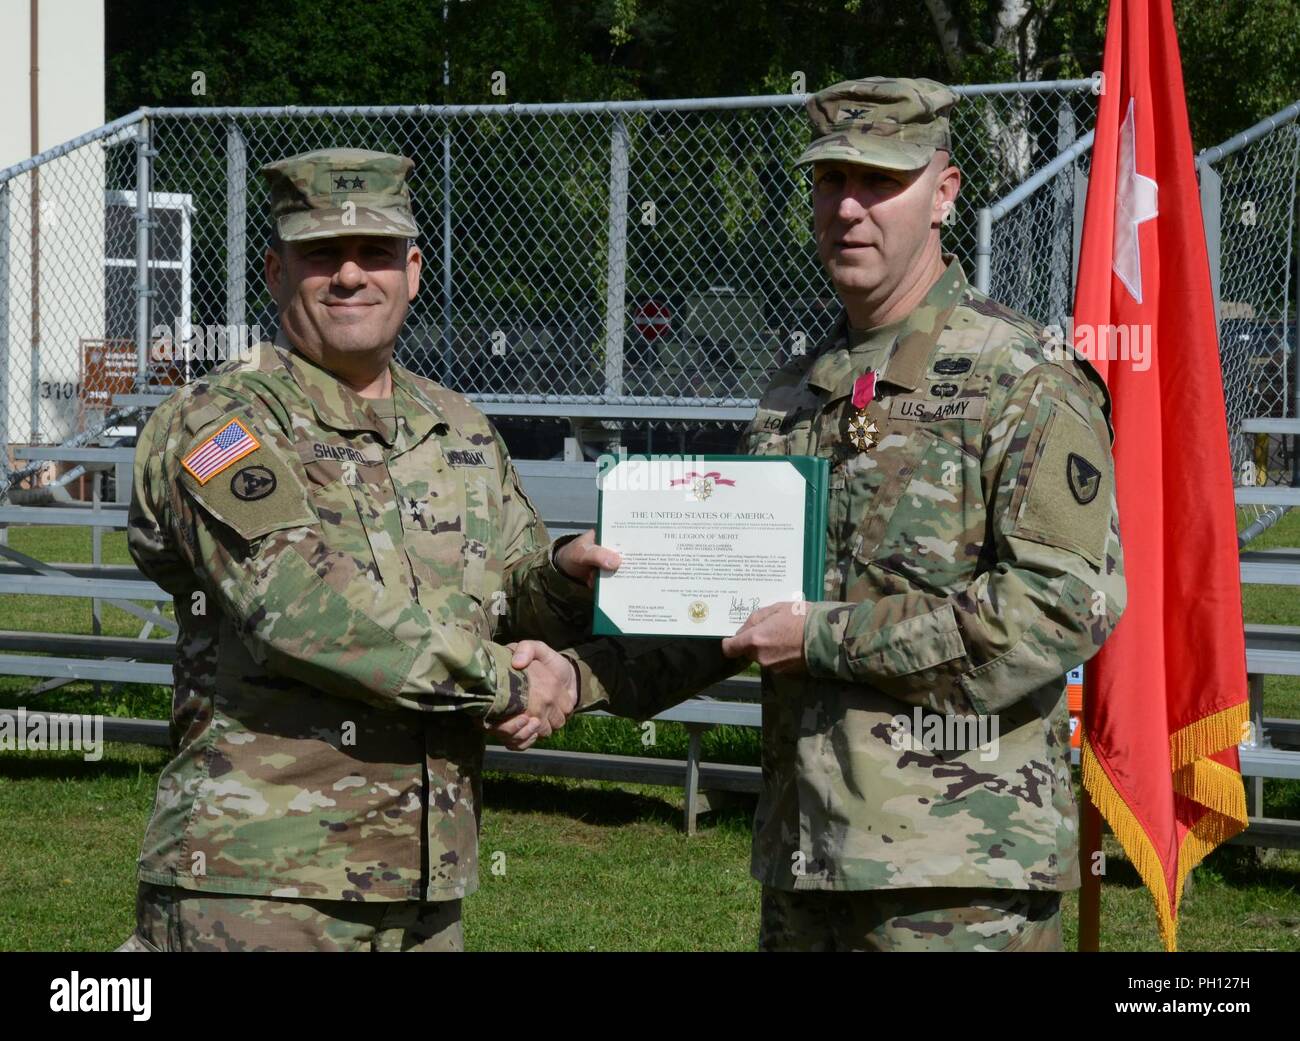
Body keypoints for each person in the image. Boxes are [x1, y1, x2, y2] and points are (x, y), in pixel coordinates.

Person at [518, 77, 1128, 951]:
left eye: (881, 182)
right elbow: (731, 612)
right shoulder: (798, 394)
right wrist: (579, 677)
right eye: (831, 180)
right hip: (806, 869)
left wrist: (827, 637)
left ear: (944, 192)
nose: (850, 207)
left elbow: (1063, 604)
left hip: (956, 886)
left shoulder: (1022, 379)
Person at [117, 148, 617, 952]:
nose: (351, 276)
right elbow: (301, 606)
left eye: (375, 253)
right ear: (277, 272)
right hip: (261, 889)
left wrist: (564, 577)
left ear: (413, 270)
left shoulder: (458, 428)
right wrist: (509, 684)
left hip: (425, 889)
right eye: (322, 256)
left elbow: (508, 593)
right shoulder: (219, 423)